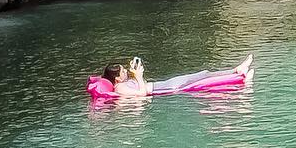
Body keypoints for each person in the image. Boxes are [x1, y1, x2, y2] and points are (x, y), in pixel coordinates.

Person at [99, 54, 253, 97]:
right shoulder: (119, 88)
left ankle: (236, 70)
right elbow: (141, 94)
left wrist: (136, 73)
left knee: (204, 74)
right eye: (123, 71)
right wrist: (139, 76)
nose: (126, 71)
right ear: (117, 78)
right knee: (205, 81)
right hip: (166, 88)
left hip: (164, 83)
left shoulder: (123, 83)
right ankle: (240, 82)